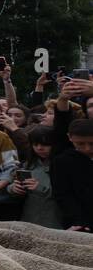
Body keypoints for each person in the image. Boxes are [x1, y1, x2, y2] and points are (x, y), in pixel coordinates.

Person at [51, 79, 93, 231]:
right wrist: (63, 98)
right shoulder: (65, 159)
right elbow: (63, 194)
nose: (87, 148)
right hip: (79, 223)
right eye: (81, 144)